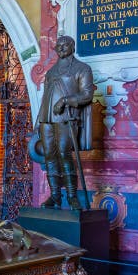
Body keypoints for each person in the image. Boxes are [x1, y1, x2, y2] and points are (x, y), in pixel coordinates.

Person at [35, 35, 94, 210]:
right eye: (58, 45)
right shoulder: (51, 72)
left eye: (65, 45)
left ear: (72, 47)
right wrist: (39, 121)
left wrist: (66, 100)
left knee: (64, 154)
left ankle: (71, 196)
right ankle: (55, 196)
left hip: (67, 118)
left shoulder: (82, 69)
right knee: (50, 157)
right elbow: (45, 97)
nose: (60, 48)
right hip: (47, 118)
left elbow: (87, 94)